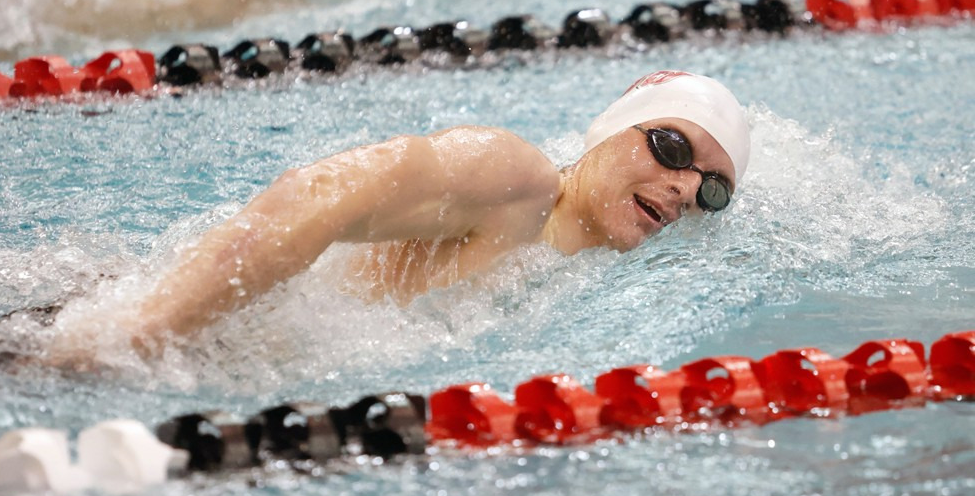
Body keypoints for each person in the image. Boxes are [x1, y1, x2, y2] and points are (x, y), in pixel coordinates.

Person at [115, 70, 750, 356]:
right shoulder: (515, 181)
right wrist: (142, 332)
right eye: (671, 146)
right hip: (189, 329)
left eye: (712, 188)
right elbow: (315, 195)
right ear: (609, 132)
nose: (684, 188)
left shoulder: (596, 278)